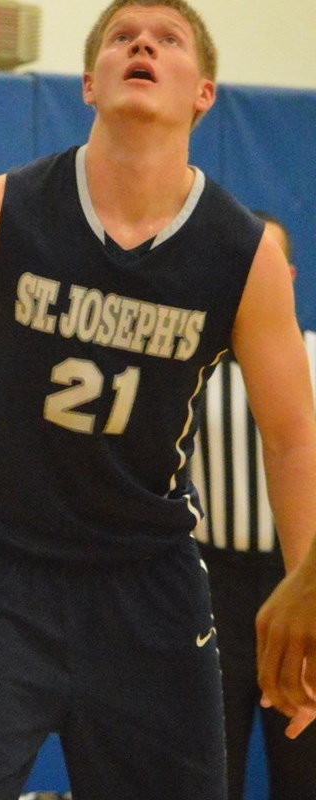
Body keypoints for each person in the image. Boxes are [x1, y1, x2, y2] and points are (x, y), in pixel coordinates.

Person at [0, 2, 316, 797]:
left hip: (148, 580)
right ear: (89, 82)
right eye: (122, 37)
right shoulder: (1, 209)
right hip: (1, 567)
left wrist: (305, 576)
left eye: (167, 40)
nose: (142, 45)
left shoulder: (242, 255)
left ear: (204, 91)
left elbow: (293, 431)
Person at [189, 214, 316, 800]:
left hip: (300, 580)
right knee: (209, 771)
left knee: (303, 765)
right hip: (209, 585)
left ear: (288, 275)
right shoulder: (189, 359)